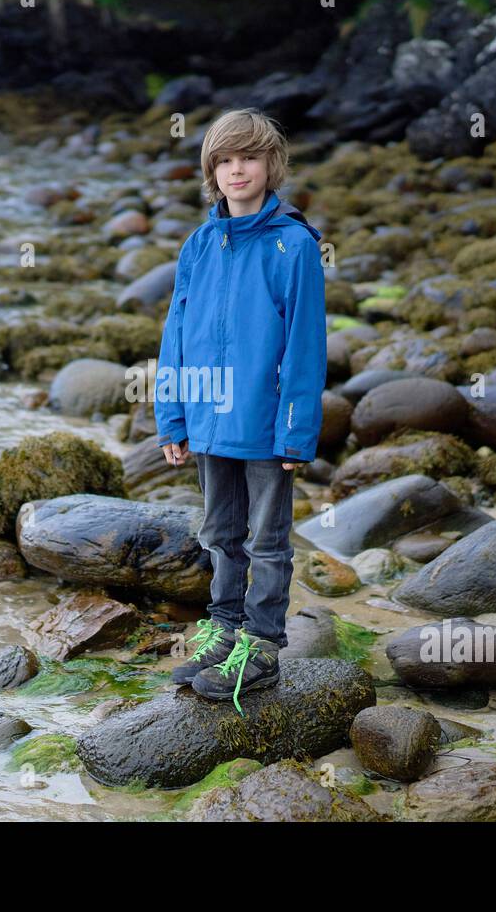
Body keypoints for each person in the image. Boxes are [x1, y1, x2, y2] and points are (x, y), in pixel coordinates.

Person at [153, 107, 326, 715]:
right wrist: (171, 417)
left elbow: (306, 345)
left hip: (264, 422)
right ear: (211, 170)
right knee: (219, 534)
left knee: (268, 540)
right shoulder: (199, 245)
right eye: (224, 160)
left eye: (248, 158)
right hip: (207, 416)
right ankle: (221, 630)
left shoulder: (295, 245)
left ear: (270, 164)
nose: (236, 170)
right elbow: (175, 333)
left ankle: (262, 644)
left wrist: (295, 432)